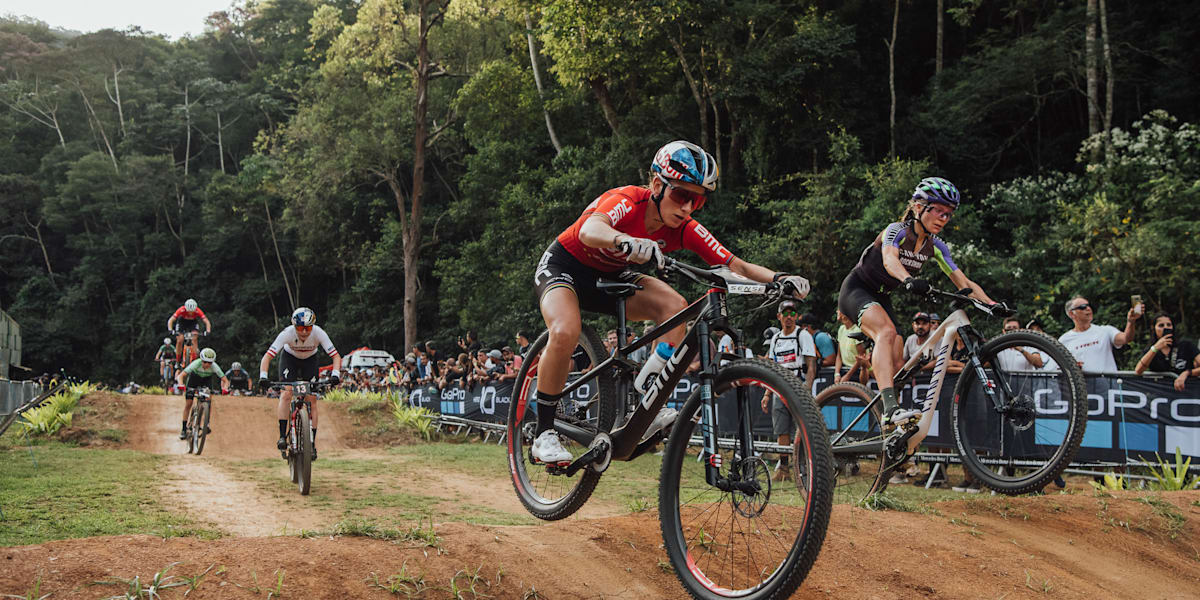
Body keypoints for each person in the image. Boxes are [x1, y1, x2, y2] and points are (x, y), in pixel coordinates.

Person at [529, 140, 811, 464]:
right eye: (681, 195)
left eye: (697, 200)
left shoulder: (685, 228)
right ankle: (543, 432)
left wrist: (779, 279)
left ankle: (646, 395)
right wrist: (624, 239)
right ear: (657, 185)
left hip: (611, 276)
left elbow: (736, 265)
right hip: (565, 267)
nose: (688, 207)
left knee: (676, 308)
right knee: (566, 330)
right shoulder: (628, 201)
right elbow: (590, 230)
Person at [836, 177, 1000, 428]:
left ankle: (893, 424)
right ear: (918, 207)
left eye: (948, 214)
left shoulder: (936, 246)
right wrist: (908, 279)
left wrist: (991, 303)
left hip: (883, 297)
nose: (943, 218)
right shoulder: (897, 231)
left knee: (900, 362)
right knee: (886, 332)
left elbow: (963, 282)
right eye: (938, 211)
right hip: (857, 289)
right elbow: (890, 260)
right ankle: (890, 410)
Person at [258, 307, 341, 461]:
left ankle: (312, 443)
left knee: (312, 399)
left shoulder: (319, 333)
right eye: (300, 328)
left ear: (313, 326)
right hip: (290, 359)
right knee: (286, 393)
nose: (303, 332)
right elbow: (267, 357)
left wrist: (336, 374)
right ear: (294, 326)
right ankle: (282, 436)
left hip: (310, 361)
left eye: (308, 328)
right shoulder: (287, 333)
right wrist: (263, 376)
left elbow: (336, 356)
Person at [763, 299, 817, 480]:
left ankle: (804, 469)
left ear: (797, 316)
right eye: (785, 313)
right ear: (779, 316)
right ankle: (784, 470)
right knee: (781, 430)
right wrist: (767, 393)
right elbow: (772, 366)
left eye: (792, 313)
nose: (789, 317)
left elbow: (811, 364)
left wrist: (807, 390)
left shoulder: (803, 335)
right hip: (779, 388)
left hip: (798, 386)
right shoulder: (776, 338)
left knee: (802, 429)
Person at [1058, 295, 1141, 374]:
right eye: (1083, 307)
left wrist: (1131, 321)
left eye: (1089, 305)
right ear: (1072, 314)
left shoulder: (1105, 330)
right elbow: (1057, 367)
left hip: (1108, 381)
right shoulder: (1064, 340)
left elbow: (1126, 338)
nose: (1088, 309)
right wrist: (1072, 367)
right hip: (1082, 383)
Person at [175, 347, 230, 439]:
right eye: (205, 362)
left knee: (208, 400)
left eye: (210, 362)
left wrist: (225, 388)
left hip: (206, 381)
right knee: (188, 404)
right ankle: (183, 429)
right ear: (201, 360)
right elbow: (181, 376)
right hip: (194, 379)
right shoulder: (196, 363)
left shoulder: (214, 366)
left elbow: (225, 380)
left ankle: (206, 424)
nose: (207, 364)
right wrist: (180, 384)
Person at [1134, 314, 1200, 390]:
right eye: (1161, 325)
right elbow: (1138, 371)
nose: (1166, 327)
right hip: (1162, 392)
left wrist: (1187, 373)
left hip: (1187, 390)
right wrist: (1155, 348)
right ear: (1154, 328)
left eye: (1169, 325)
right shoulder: (1151, 350)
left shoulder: (1185, 346)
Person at [166, 298, 212, 366]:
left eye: (192, 312)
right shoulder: (181, 309)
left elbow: (206, 321)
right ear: (185, 308)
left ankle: (195, 358)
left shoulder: (198, 310)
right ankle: (178, 360)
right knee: (180, 340)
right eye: (188, 311)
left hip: (193, 323)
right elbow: (171, 320)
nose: (190, 313)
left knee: (194, 338)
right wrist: (170, 329)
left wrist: (208, 331)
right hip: (182, 322)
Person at [834, 311, 870, 384]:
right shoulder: (841, 329)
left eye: (839, 309)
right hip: (845, 371)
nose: (837, 311)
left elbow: (861, 358)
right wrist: (837, 374)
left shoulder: (858, 330)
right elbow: (839, 356)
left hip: (858, 373)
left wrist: (847, 376)